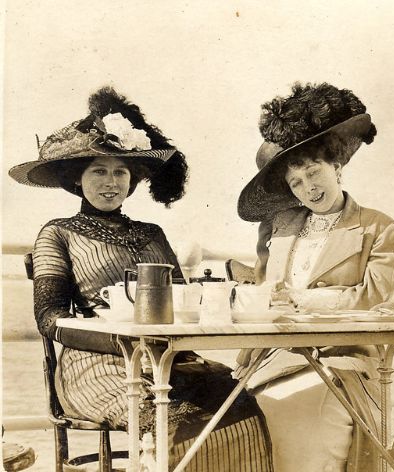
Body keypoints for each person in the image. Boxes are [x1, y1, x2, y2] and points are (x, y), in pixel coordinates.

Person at [9, 87, 272, 471]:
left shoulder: (153, 233)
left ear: (132, 181)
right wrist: (125, 342)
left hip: (168, 359)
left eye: (121, 172)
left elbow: (181, 301)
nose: (110, 182)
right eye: (98, 170)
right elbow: (48, 319)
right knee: (167, 418)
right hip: (96, 364)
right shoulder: (57, 233)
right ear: (76, 179)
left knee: (236, 402)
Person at [235, 82, 394, 472]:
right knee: (227, 419)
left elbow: (371, 299)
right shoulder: (279, 226)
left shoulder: (380, 229)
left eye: (314, 172)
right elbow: (264, 291)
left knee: (303, 419)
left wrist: (300, 300)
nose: (308, 187)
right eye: (296, 182)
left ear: (337, 168)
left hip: (341, 360)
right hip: (271, 357)